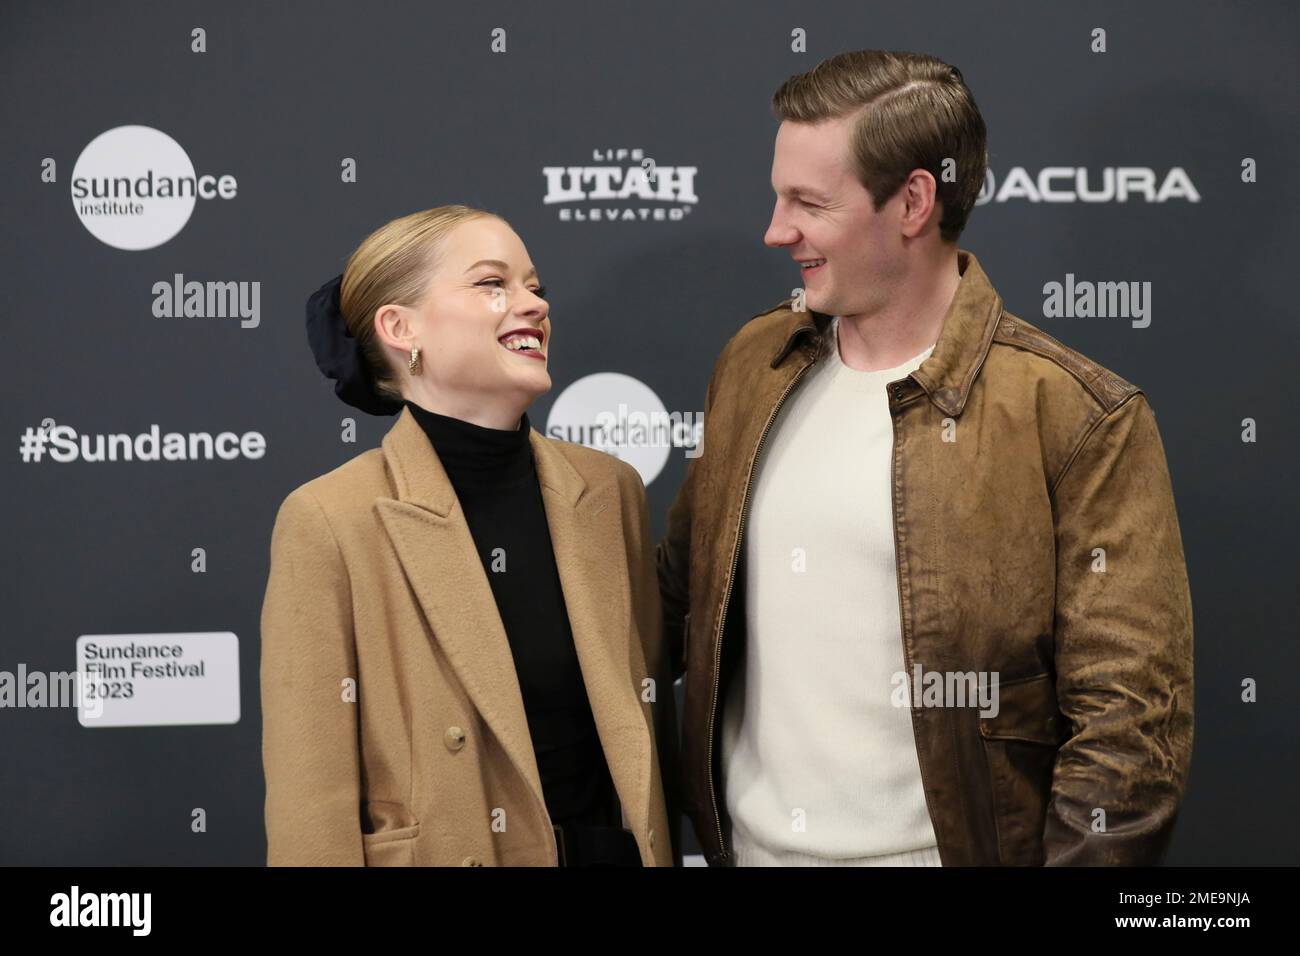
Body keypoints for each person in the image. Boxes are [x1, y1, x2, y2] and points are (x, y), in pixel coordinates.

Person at [657, 50, 1193, 866]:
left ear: (913, 200)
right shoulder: (754, 363)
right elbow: (675, 599)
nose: (775, 230)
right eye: (778, 196)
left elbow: (1130, 729)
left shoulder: (1079, 417)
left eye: (808, 202)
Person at [260, 205, 680, 866]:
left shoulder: (609, 491)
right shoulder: (330, 520)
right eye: (493, 285)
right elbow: (311, 803)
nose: (533, 305)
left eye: (534, 288)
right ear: (401, 328)